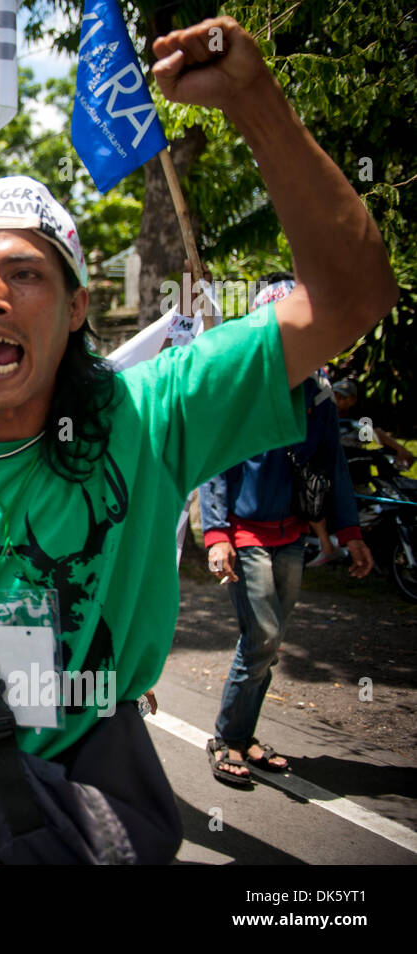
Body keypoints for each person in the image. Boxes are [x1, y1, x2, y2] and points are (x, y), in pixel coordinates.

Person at [0, 16, 397, 865]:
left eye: (27, 274)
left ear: (79, 308)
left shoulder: (150, 416)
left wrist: (256, 105)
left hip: (86, 838)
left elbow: (351, 294)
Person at [200, 278, 374, 785]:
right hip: (245, 533)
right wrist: (216, 536)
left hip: (292, 534)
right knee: (263, 635)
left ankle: (243, 735)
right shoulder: (242, 388)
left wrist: (350, 532)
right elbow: (216, 466)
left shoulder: (317, 393)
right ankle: (226, 736)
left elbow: (332, 464)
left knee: (270, 643)